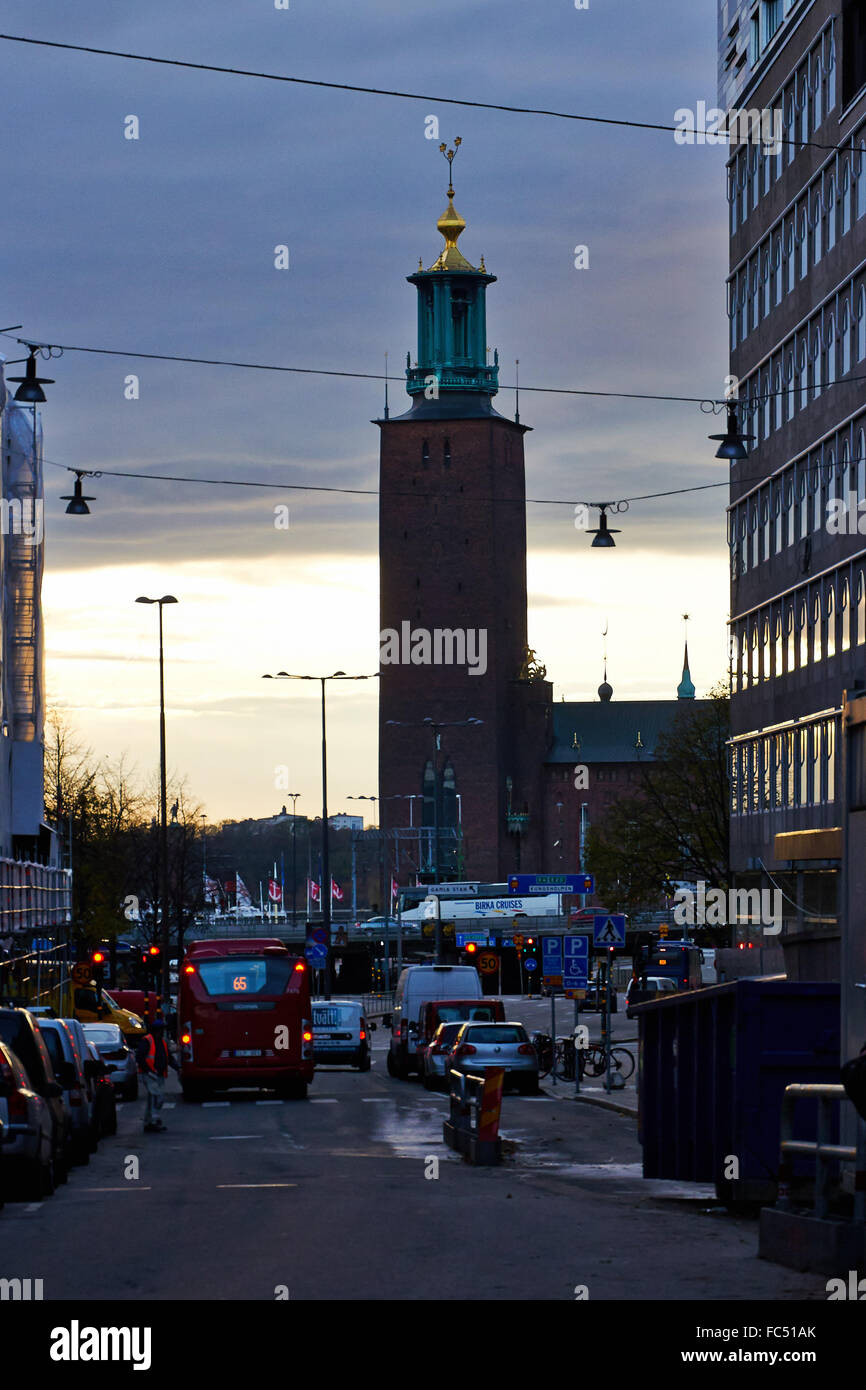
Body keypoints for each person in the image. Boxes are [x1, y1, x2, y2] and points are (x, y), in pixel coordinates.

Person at [135, 1018, 178, 1132]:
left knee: (153, 1098)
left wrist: (178, 1068)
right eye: (161, 1029)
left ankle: (149, 1122)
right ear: (157, 1030)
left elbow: (169, 1058)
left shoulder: (162, 1042)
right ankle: (154, 1120)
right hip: (150, 1074)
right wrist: (148, 1070)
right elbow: (140, 1057)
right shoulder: (147, 1041)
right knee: (157, 1097)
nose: (162, 1032)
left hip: (158, 1074)